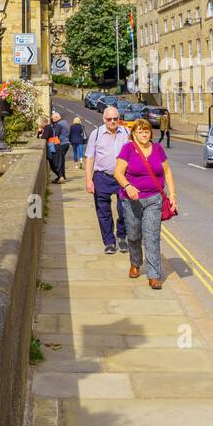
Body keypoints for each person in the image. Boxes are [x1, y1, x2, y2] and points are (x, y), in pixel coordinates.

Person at [114, 117, 178, 289]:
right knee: (134, 236)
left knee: (152, 237)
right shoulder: (127, 149)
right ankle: (135, 262)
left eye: (147, 131)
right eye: (140, 131)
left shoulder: (157, 149)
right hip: (131, 201)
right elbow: (118, 173)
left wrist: (172, 194)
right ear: (133, 133)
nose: (144, 134)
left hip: (154, 199)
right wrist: (128, 186)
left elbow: (167, 171)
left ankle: (154, 275)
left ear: (151, 133)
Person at [84, 106, 130, 253]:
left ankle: (122, 237)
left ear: (119, 119)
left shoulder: (127, 133)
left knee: (124, 209)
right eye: (109, 119)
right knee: (103, 211)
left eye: (115, 118)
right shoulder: (96, 134)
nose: (112, 121)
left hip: (122, 176)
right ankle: (109, 241)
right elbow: (89, 157)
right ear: (104, 119)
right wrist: (88, 180)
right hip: (102, 177)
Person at [38, 110, 70, 183]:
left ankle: (61, 177)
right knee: (60, 161)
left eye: (53, 118)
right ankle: (61, 177)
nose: (52, 120)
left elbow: (55, 134)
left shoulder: (58, 125)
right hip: (66, 143)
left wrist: (41, 133)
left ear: (57, 117)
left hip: (59, 144)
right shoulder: (65, 122)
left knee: (57, 162)